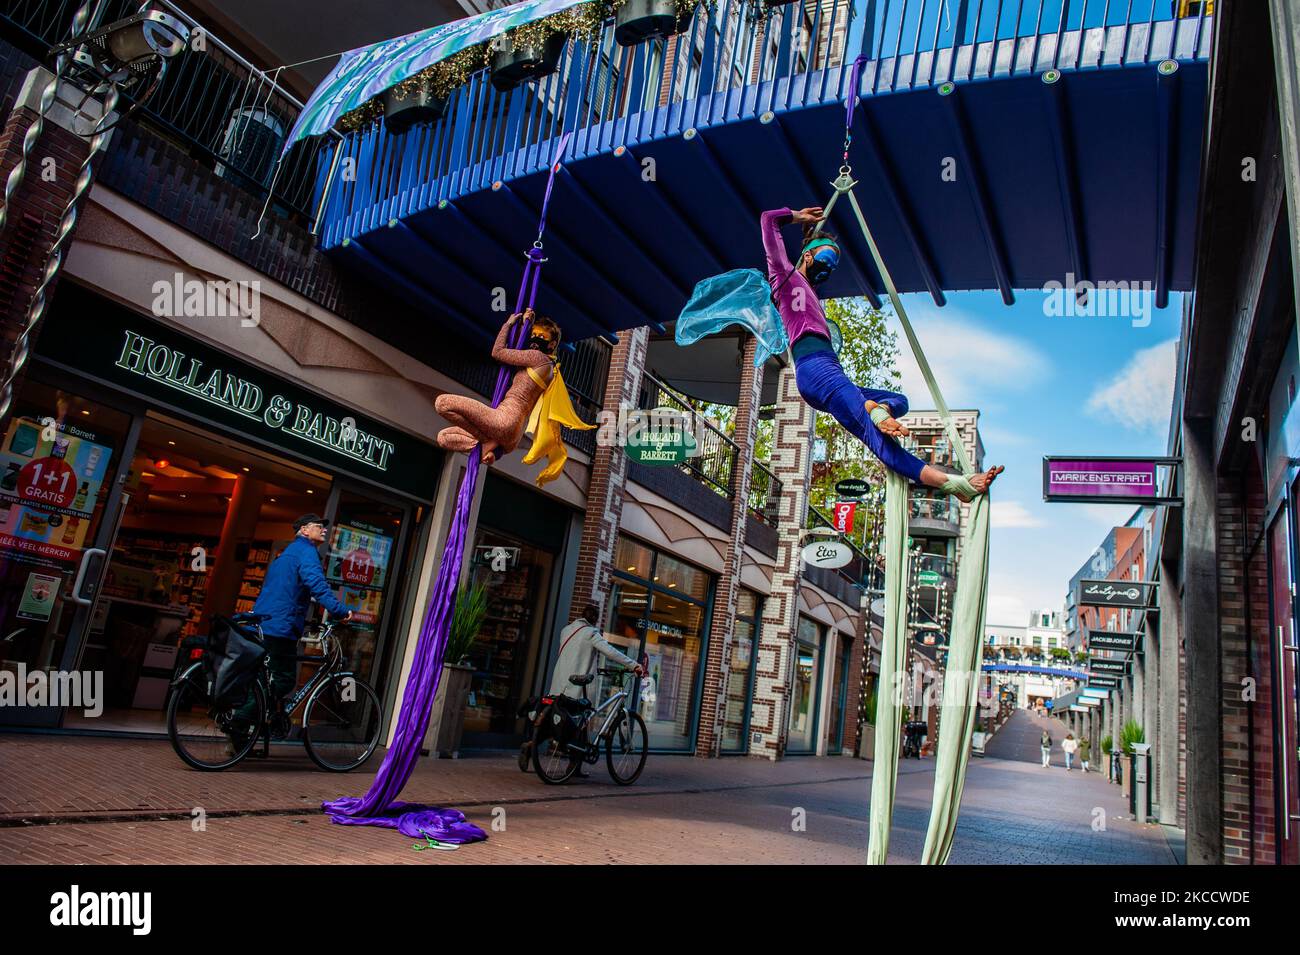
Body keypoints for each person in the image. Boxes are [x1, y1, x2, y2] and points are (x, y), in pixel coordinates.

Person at [762, 206, 1003, 500]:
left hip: (828, 368)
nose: (829, 268)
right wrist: (798, 216)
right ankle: (878, 416)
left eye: (834, 264)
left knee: (898, 402)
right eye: (826, 258)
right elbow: (768, 219)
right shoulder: (783, 276)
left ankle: (953, 484)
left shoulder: (812, 293)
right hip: (814, 368)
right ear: (808, 256)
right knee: (874, 422)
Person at [232, 514, 352, 735]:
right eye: (319, 527)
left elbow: (288, 589)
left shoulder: (286, 554)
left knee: (262, 680)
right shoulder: (306, 553)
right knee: (285, 680)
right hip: (280, 627)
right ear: (305, 530)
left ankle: (243, 736)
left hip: (264, 622)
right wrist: (341, 611)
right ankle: (241, 720)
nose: (324, 530)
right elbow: (317, 585)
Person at [435, 309, 558, 466]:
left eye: (541, 337)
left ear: (552, 344)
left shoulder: (538, 357)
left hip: (505, 420)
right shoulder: (549, 369)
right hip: (512, 436)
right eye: (534, 334)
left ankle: (489, 442)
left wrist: (508, 325)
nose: (535, 339)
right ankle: (490, 446)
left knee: (442, 403)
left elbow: (498, 352)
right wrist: (526, 326)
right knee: (444, 437)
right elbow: (518, 350)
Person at [549, 603, 645, 699]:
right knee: (582, 710)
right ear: (595, 619)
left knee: (557, 708)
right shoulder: (591, 633)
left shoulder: (565, 630)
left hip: (558, 681)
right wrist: (633, 665)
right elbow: (611, 652)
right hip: (574, 686)